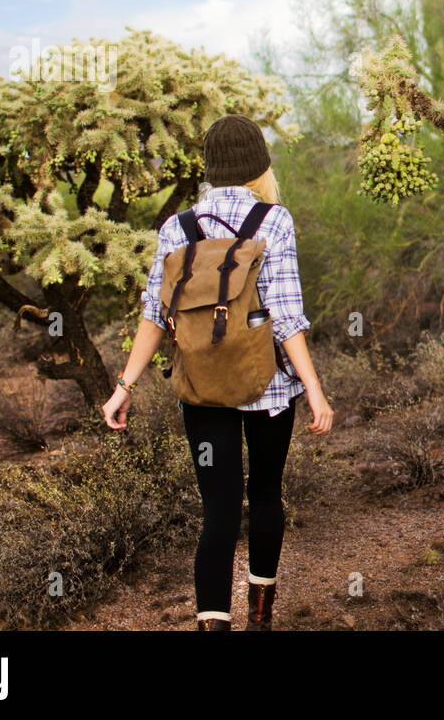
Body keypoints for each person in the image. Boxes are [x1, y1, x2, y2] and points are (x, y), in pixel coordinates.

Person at [102, 114, 333, 631]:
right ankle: (260, 619)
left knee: (219, 511)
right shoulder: (274, 220)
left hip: (201, 388)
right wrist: (314, 389)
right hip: (268, 386)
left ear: (209, 168)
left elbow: (154, 315)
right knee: (266, 493)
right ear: (260, 165)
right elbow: (286, 313)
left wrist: (124, 386)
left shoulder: (176, 227)